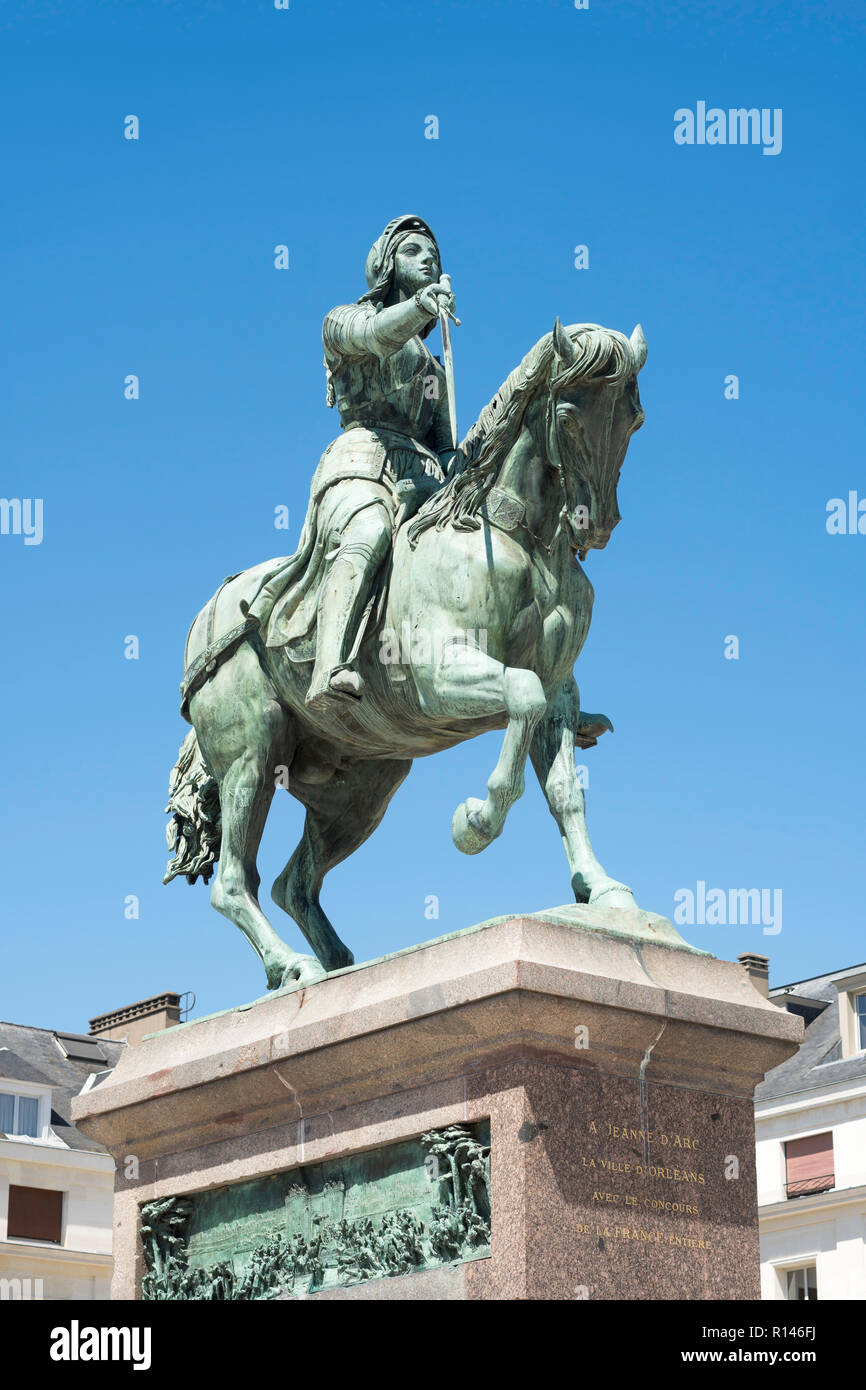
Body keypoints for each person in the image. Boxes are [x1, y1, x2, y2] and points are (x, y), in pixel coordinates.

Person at [246, 215, 460, 710]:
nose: (428, 259)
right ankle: (329, 664)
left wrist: (458, 461)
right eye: (412, 251)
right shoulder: (343, 321)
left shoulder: (436, 366)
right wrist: (416, 308)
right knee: (369, 533)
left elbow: (443, 442)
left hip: (422, 474)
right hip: (363, 461)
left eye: (434, 256)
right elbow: (378, 336)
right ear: (386, 265)